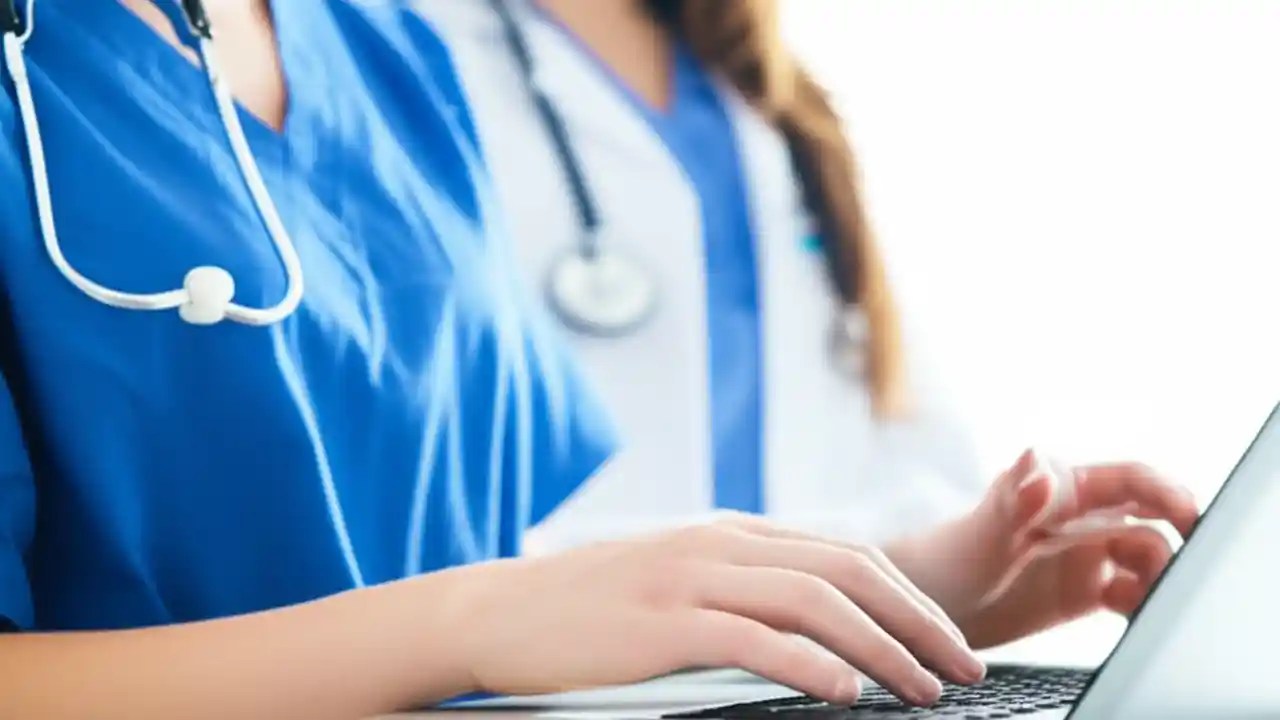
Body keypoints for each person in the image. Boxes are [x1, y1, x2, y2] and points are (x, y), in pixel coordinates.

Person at [0, 1, 1197, 718]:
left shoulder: (373, 43)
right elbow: (477, 606)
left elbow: (475, 559)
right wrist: (472, 622)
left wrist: (908, 585)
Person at [417, 0, 986, 549]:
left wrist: (976, 545)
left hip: (804, 635)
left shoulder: (778, 106)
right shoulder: (409, 47)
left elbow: (914, 443)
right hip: (546, 633)